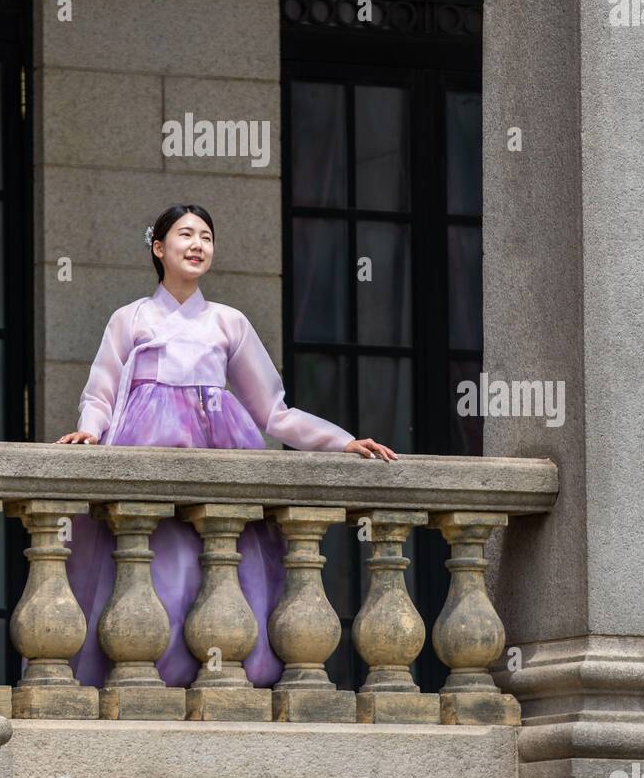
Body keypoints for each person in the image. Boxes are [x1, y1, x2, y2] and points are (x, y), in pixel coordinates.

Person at [54, 203, 398, 688]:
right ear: (158, 247)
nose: (197, 245)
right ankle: (152, 676)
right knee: (158, 568)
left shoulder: (228, 322)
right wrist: (90, 430)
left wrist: (339, 442)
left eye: (206, 237)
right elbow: (102, 391)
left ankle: (213, 675)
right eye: (185, 234)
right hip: (147, 458)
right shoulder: (131, 318)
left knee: (213, 566)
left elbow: (273, 411)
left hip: (217, 455)